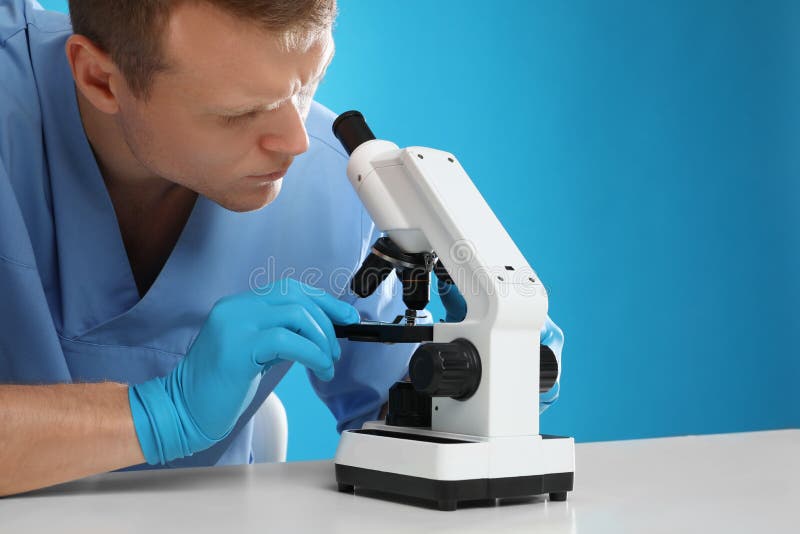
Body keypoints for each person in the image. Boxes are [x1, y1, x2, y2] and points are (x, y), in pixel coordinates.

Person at [0, 0, 565, 497]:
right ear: (100, 79)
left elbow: (404, 427)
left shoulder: (328, 187)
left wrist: (494, 376)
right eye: (239, 113)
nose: (296, 143)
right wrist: (159, 416)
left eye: (307, 85)